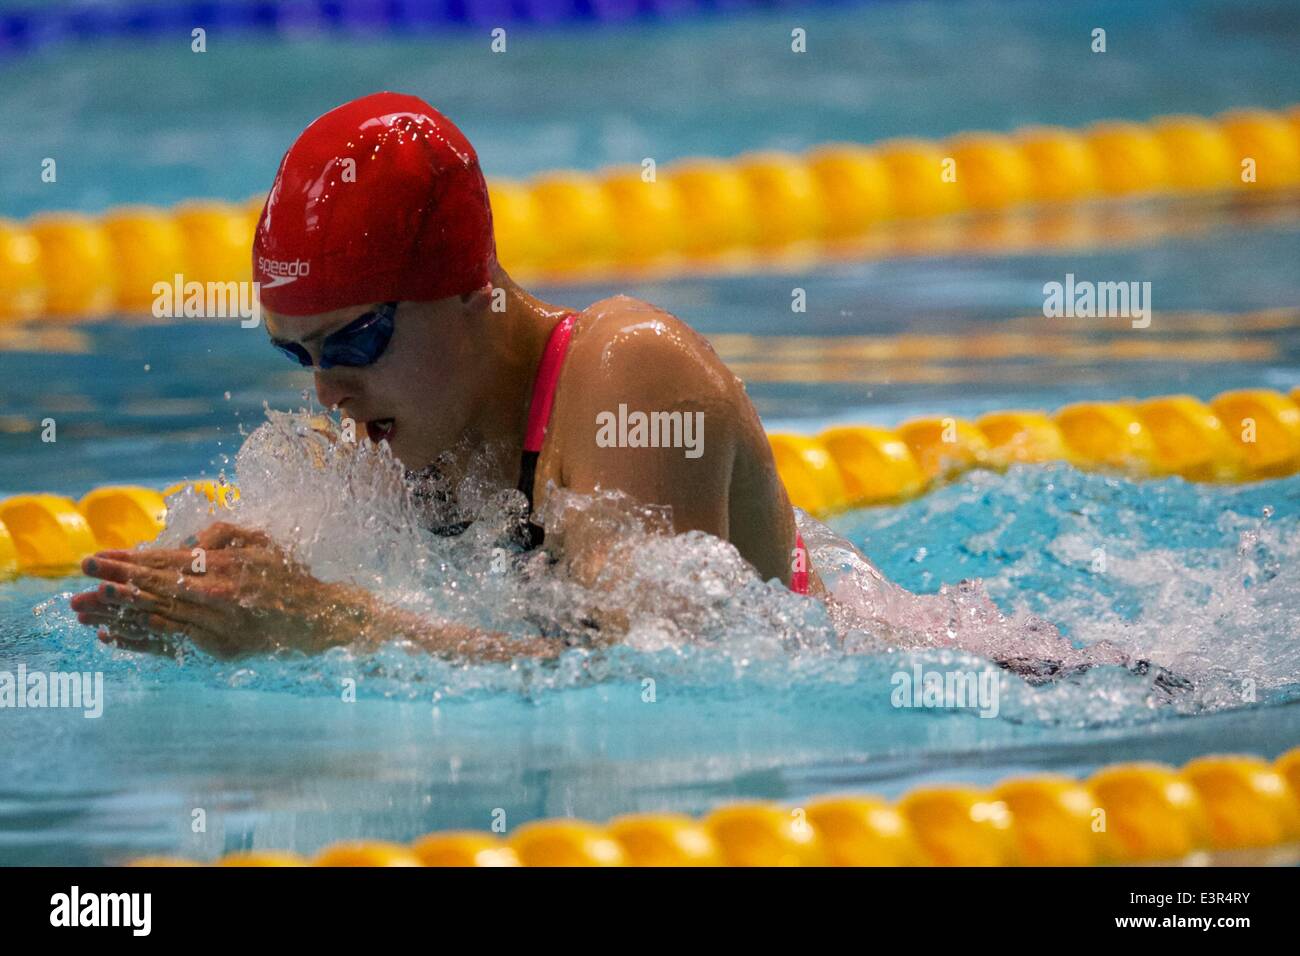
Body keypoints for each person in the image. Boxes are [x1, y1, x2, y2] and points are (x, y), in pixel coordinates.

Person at [70, 91, 814, 661]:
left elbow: (657, 687)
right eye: (300, 356)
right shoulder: (403, 440)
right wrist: (216, 623)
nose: (328, 391)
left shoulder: (631, 373)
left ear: (468, 290)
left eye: (356, 342)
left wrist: (325, 622)